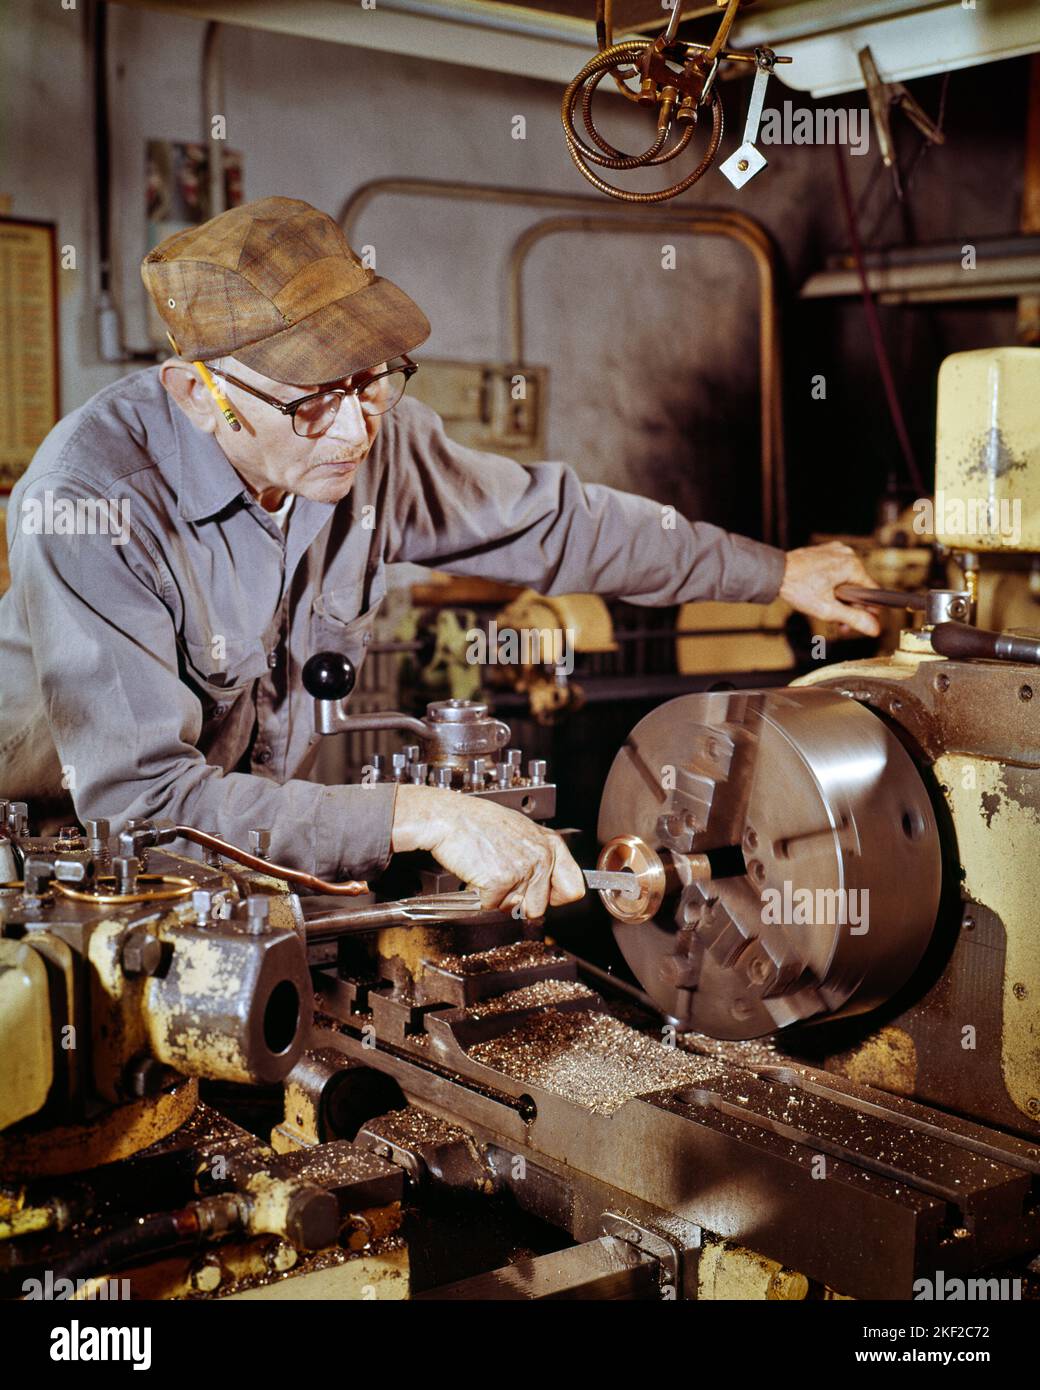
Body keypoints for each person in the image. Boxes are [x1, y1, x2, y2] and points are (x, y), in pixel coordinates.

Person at [0, 196, 879, 920]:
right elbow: (143, 807)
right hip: (55, 864)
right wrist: (415, 816)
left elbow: (562, 523)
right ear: (202, 395)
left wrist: (775, 575)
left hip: (219, 849)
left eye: (374, 379)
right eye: (311, 404)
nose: (354, 432)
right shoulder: (89, 500)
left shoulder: (370, 441)